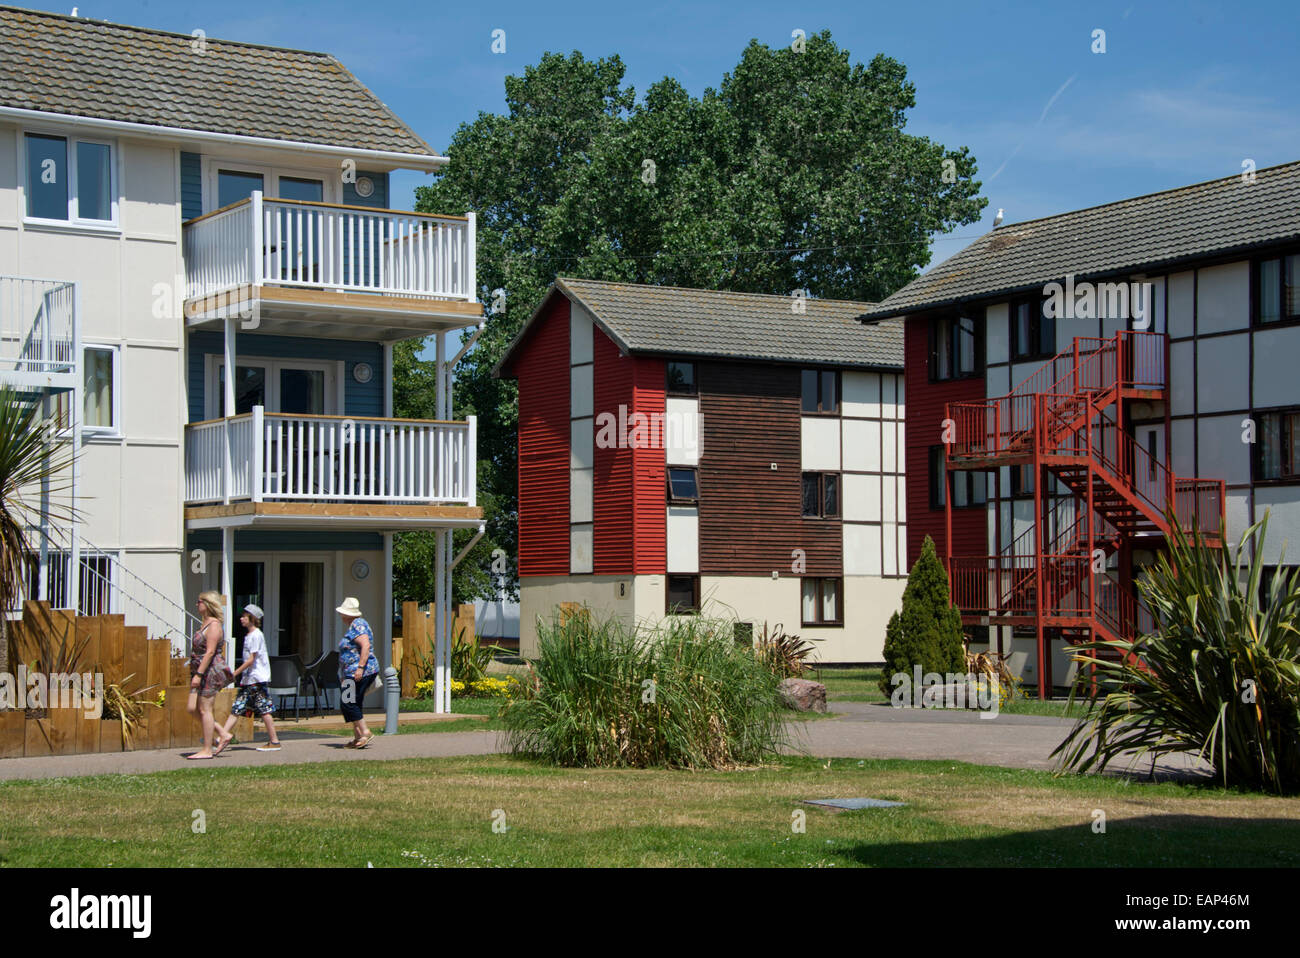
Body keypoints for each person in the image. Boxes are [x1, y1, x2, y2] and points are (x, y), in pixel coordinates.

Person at [215, 604, 281, 754]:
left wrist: (234, 673)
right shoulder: (249, 636)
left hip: (257, 679)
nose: (241, 619)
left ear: (252, 618)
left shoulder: (256, 635)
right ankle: (222, 737)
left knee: (264, 710)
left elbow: (251, 659)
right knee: (237, 708)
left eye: (244, 616)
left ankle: (274, 741)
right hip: (249, 680)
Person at [186, 591, 234, 759]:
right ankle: (222, 733)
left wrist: (198, 674)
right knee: (192, 708)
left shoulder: (214, 625)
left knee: (205, 709)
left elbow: (211, 651)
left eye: (199, 602)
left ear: (207, 604)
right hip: (199, 669)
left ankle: (207, 749)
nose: (196, 604)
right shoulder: (204, 623)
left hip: (209, 671)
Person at [336, 597, 378, 748]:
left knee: (347, 702)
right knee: (354, 702)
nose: (341, 616)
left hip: (357, 671)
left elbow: (365, 646)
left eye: (342, 613)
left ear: (348, 614)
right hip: (350, 672)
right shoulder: (357, 625)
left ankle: (365, 731)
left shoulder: (358, 625)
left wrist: (360, 667)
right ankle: (358, 738)